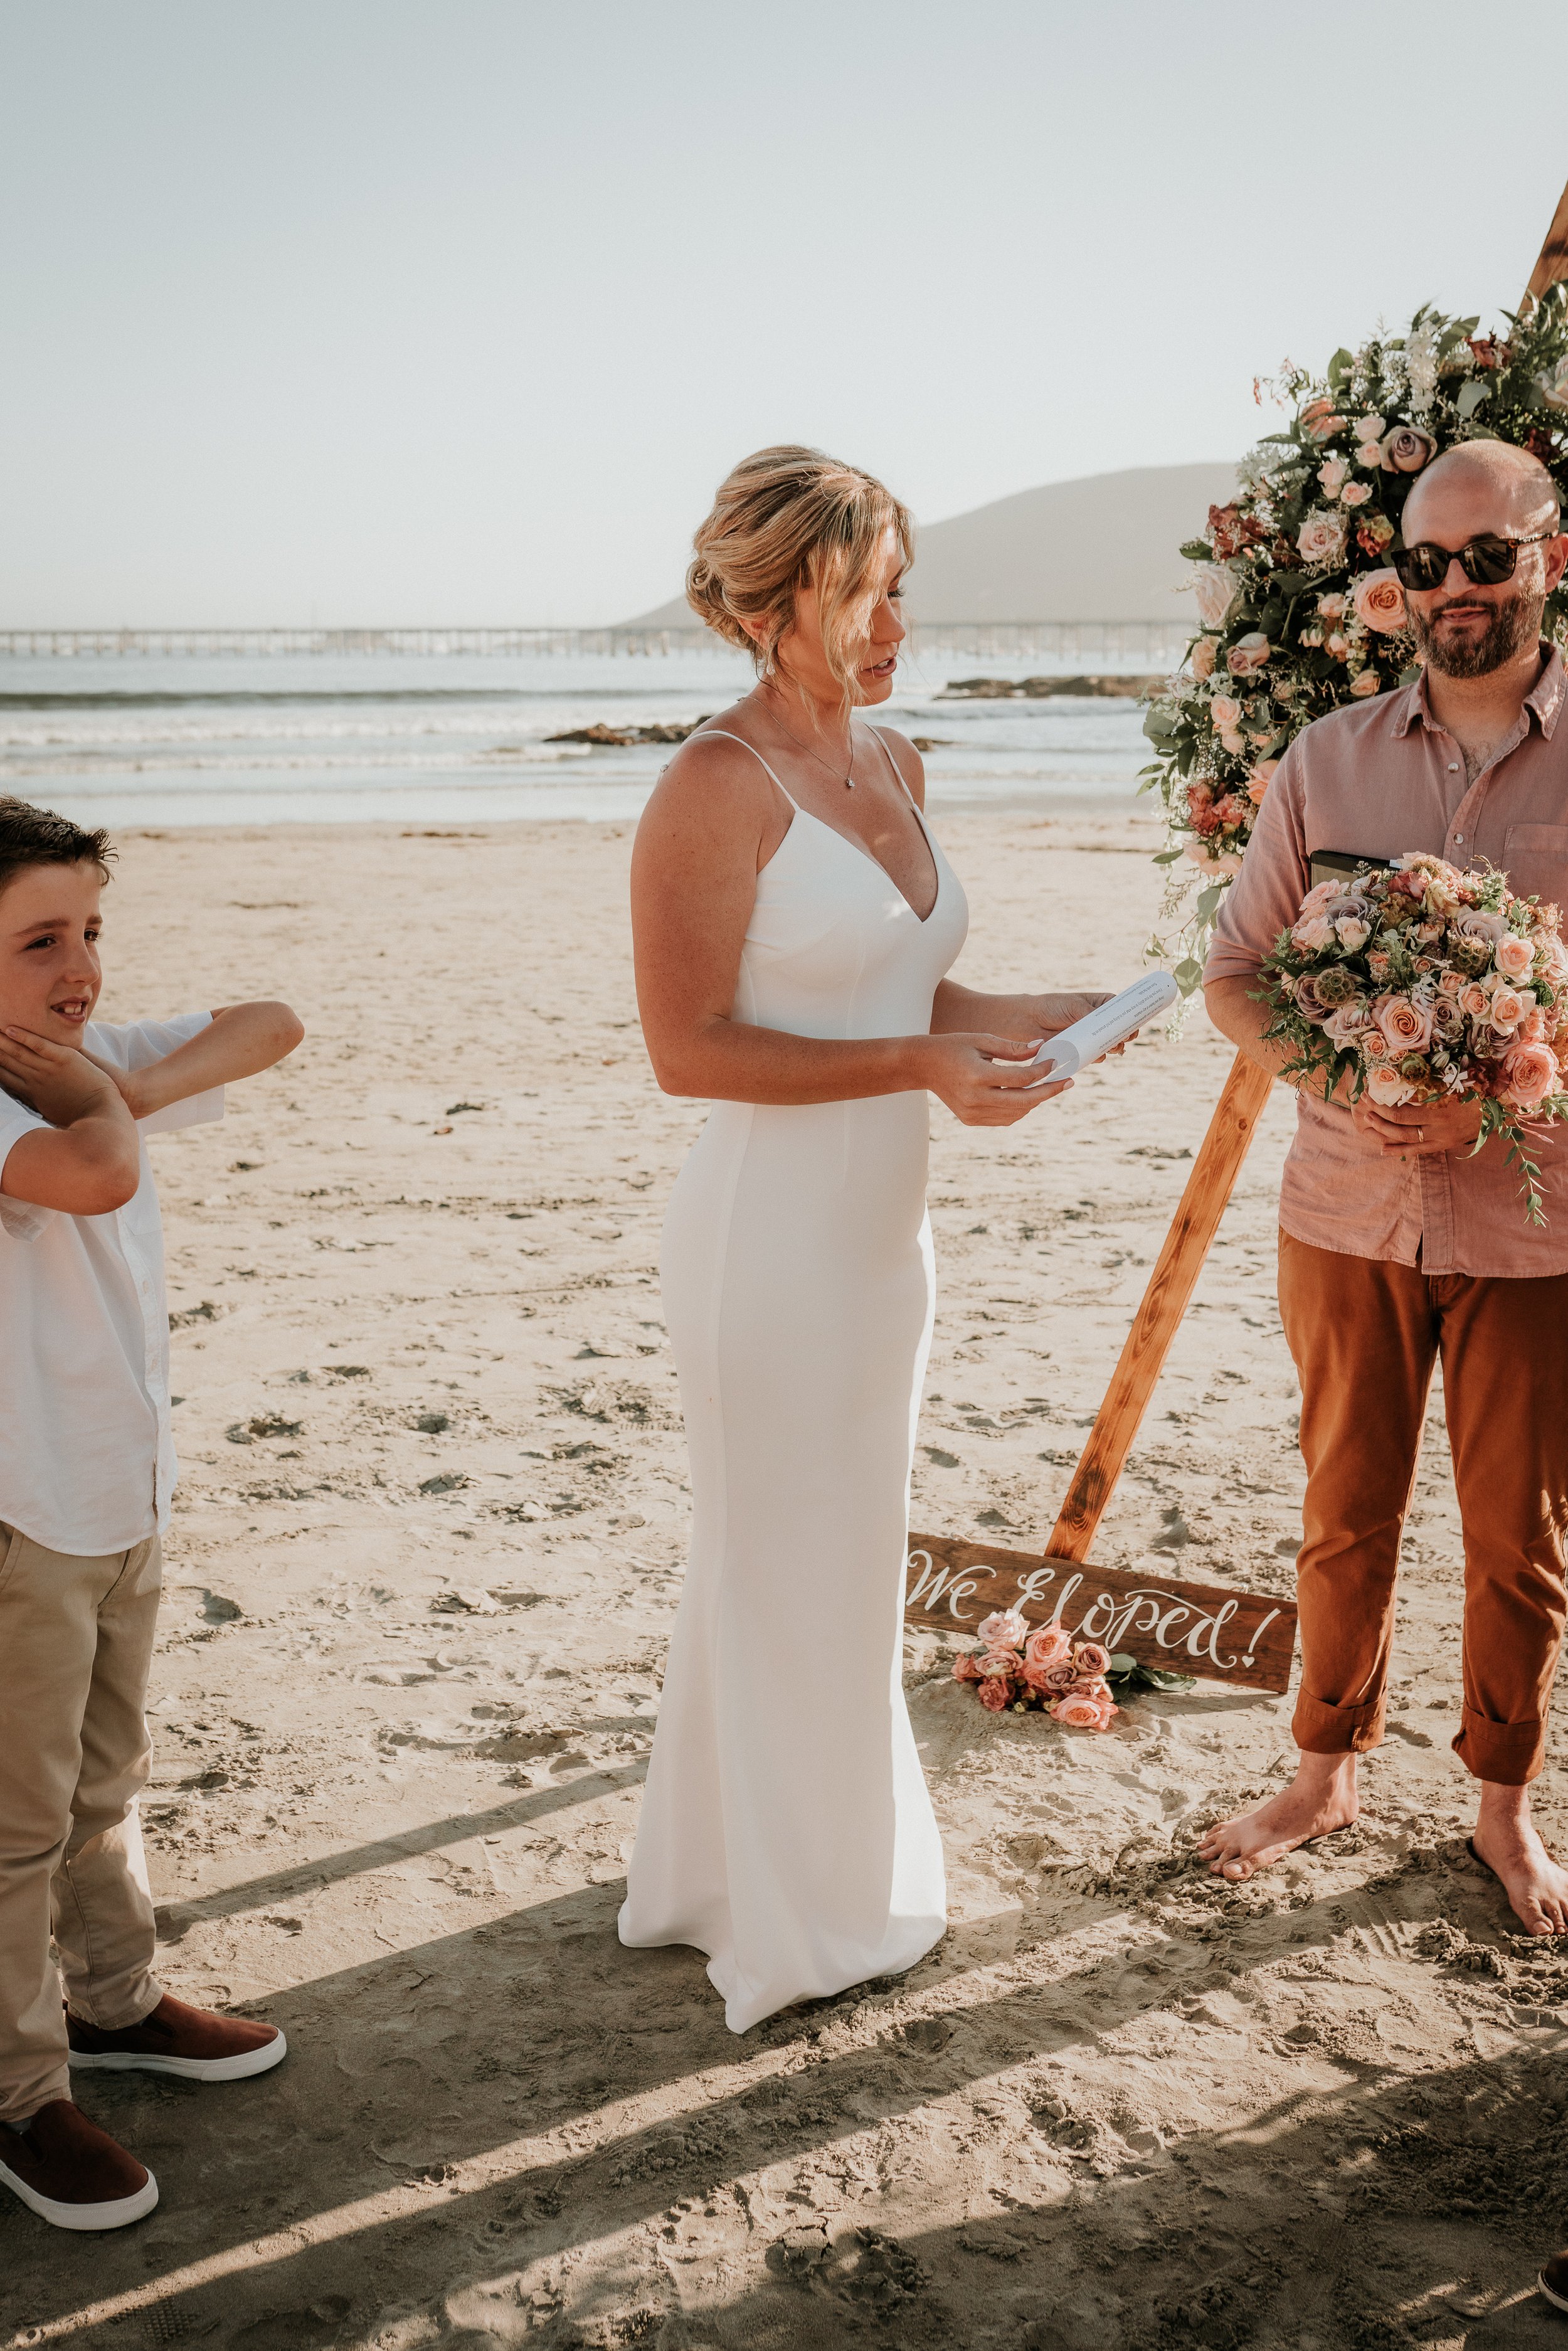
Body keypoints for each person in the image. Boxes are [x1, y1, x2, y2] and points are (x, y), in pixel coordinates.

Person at [620, 445, 1129, 2030]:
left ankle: (714, 1868)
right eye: (866, 589)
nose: (896, 616)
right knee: (782, 1559)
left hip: (877, 1243)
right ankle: (791, 1912)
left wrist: (1023, 1016)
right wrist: (919, 1061)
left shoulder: (898, 763)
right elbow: (688, 1046)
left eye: (902, 582)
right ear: (778, 606)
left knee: (834, 1556)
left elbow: (902, 991)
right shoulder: (713, 783)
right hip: (763, 1240)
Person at [1199, 440, 1568, 1934]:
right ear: (1394, 581)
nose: (1455, 589)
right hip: (1343, 1207)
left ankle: (1502, 1805)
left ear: (1546, 555)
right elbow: (1231, 973)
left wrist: (1516, 1051)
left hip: (1533, 1219)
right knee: (1341, 1508)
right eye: (1425, 564)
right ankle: (1319, 1767)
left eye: (1485, 556)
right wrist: (1349, 1075)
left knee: (1516, 1532)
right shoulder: (1323, 760)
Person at [0, 797, 305, 2229]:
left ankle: (115, 2002)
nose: (80, 968)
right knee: (15, 1819)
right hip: (22, 1511)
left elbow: (271, 1019)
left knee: (107, 1777)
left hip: (120, 1483)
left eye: (92, 931)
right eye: (38, 941)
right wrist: (115, 1095)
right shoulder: (20, 1101)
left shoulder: (78, 1063)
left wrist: (119, 1075)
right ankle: (19, 2092)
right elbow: (98, 1168)